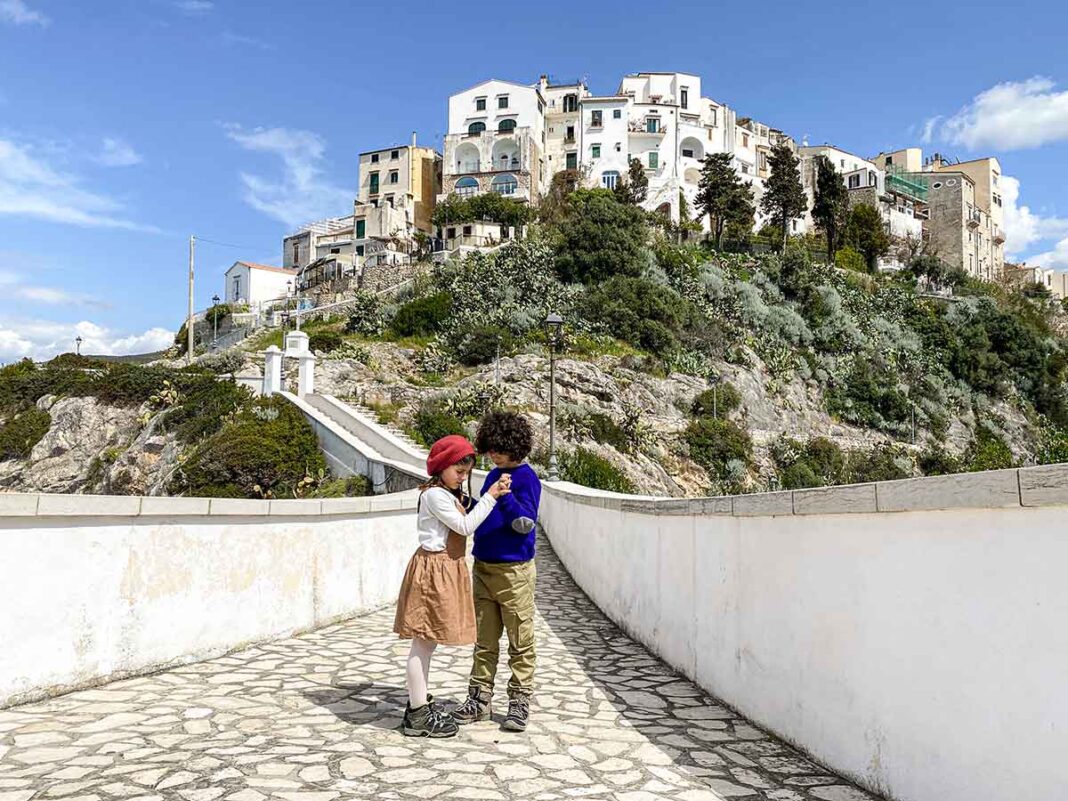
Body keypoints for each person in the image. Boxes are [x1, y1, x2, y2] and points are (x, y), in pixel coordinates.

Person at [393, 434, 512, 737]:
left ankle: (418, 703)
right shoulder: (435, 496)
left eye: (466, 472)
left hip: (443, 568)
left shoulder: (447, 494)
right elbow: (464, 526)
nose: (463, 477)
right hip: (434, 571)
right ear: (442, 467)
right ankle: (418, 714)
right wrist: (492, 496)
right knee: (423, 642)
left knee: (427, 642)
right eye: (458, 471)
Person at [452, 412, 541, 732]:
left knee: (521, 639)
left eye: (497, 450)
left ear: (514, 447)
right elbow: (483, 511)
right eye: (489, 449)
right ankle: (479, 700)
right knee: (484, 640)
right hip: (484, 567)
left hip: (514, 572)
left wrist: (504, 498)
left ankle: (519, 701)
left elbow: (525, 524)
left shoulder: (528, 479)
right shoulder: (493, 475)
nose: (492, 455)